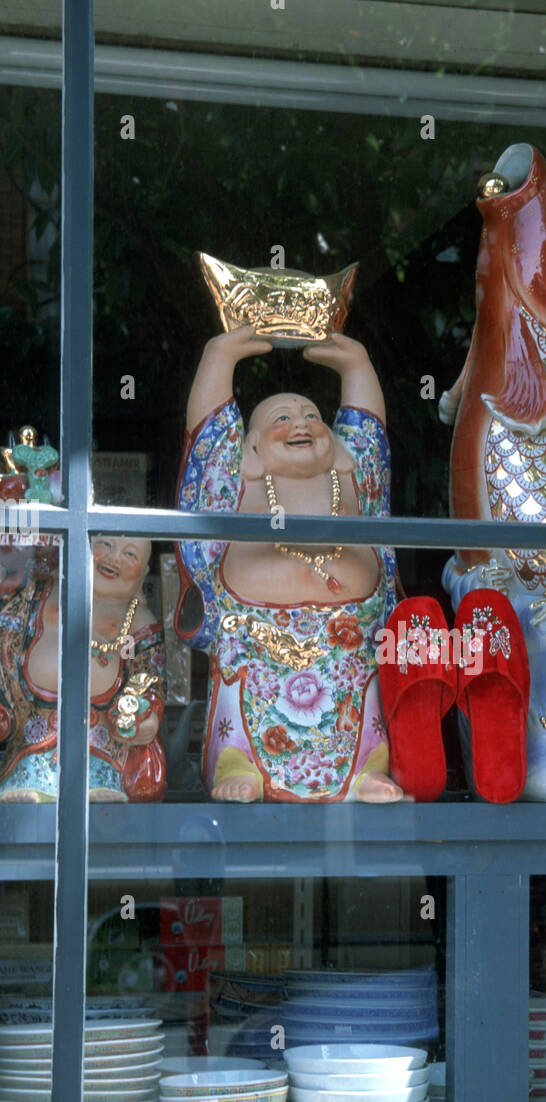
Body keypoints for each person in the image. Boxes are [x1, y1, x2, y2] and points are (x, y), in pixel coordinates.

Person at [175, 326, 405, 803]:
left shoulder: (351, 484)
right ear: (253, 447)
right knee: (242, 719)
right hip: (257, 659)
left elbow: (369, 442)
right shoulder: (238, 490)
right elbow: (208, 445)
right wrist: (219, 356)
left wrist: (356, 365)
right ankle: (238, 766)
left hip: (347, 660)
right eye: (283, 417)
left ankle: (365, 771)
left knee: (363, 710)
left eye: (312, 416)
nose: (302, 424)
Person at [0, 535, 166, 802]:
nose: (114, 558)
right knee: (28, 779)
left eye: (130, 554)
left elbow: (150, 677)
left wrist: (147, 715)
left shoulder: (138, 620)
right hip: (33, 731)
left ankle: (99, 790)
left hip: (99, 739)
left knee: (98, 790)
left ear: (144, 572)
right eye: (106, 545)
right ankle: (30, 785)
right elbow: (7, 634)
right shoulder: (40, 592)